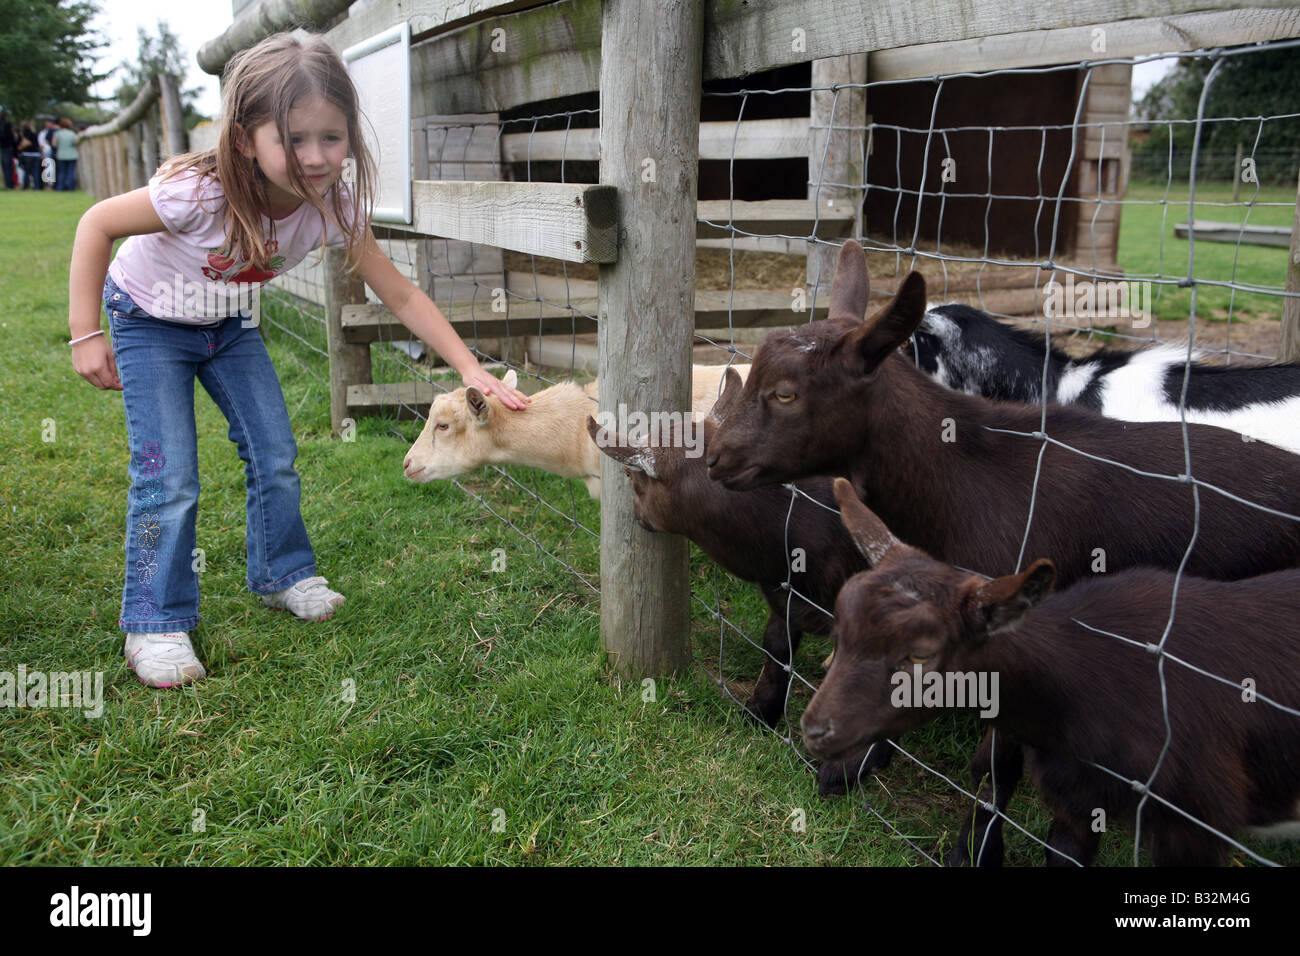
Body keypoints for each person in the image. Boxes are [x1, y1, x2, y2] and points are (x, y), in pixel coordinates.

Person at [67, 32, 529, 688]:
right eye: (293, 139)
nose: (315, 157)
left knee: (275, 454)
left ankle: (282, 573)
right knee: (167, 474)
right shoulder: (196, 195)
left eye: (331, 137)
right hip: (150, 321)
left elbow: (397, 289)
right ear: (245, 140)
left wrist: (468, 367)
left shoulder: (335, 204)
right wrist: (86, 333)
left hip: (228, 325)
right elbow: (96, 224)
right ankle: (155, 619)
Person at [53, 118, 79, 191]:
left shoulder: (57, 133)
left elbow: (54, 144)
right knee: (71, 172)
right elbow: (75, 143)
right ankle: (71, 188)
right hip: (72, 155)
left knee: (62, 172)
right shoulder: (72, 133)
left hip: (61, 155)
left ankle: (60, 188)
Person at [17, 124, 42, 189]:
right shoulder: (34, 134)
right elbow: (37, 144)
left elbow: (19, 146)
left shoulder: (23, 135)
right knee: (35, 172)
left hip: (27, 155)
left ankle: (25, 186)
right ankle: (37, 187)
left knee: (27, 172)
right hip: (36, 155)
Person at [0, 112, 16, 189]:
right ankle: (10, 184)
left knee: (5, 167)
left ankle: (8, 184)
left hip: (3, 147)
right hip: (8, 147)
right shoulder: (7, 125)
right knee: (9, 167)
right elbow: (10, 137)